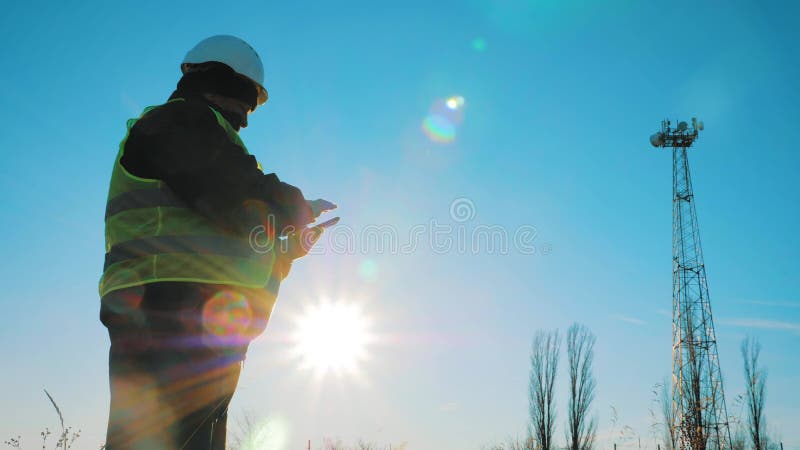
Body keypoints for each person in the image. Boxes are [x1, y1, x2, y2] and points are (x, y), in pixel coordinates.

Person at [99, 35, 336, 449]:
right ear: (221, 80)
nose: (246, 113)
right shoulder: (176, 123)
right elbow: (230, 192)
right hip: (161, 309)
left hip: (203, 321)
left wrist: (287, 248)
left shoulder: (209, 135)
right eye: (245, 99)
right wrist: (292, 205)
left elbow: (238, 231)